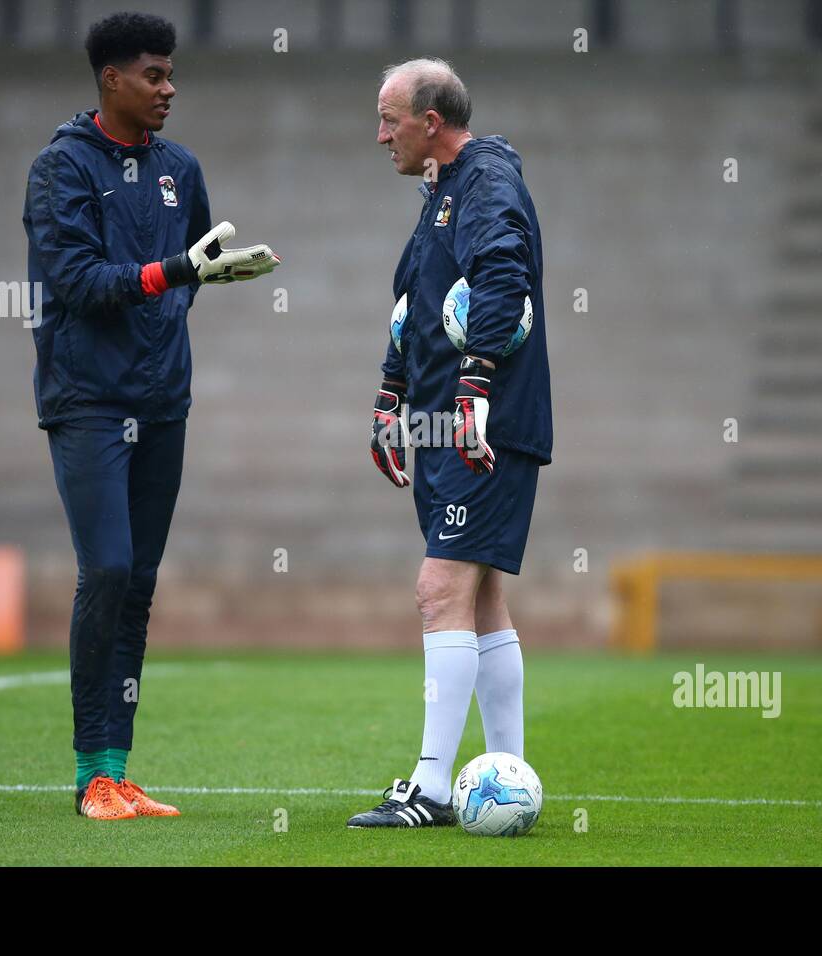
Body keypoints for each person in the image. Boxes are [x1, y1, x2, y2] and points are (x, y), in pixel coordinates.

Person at [23, 11, 279, 820]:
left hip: (163, 398)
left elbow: (194, 267)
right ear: (112, 80)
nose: (170, 89)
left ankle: (117, 769)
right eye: (154, 76)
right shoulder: (61, 167)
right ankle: (88, 777)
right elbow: (77, 282)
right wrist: (172, 273)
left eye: (171, 75)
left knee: (136, 584)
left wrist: (197, 278)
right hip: (88, 400)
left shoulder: (180, 168)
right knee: (105, 569)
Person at [349, 58, 552, 827]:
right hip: (444, 427)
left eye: (389, 120)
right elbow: (413, 304)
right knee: (480, 597)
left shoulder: (486, 181)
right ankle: (511, 776)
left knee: (439, 590)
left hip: (479, 428)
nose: (380, 136)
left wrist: (473, 390)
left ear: (430, 122)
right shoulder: (442, 192)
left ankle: (431, 790)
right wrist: (390, 394)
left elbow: (503, 276)